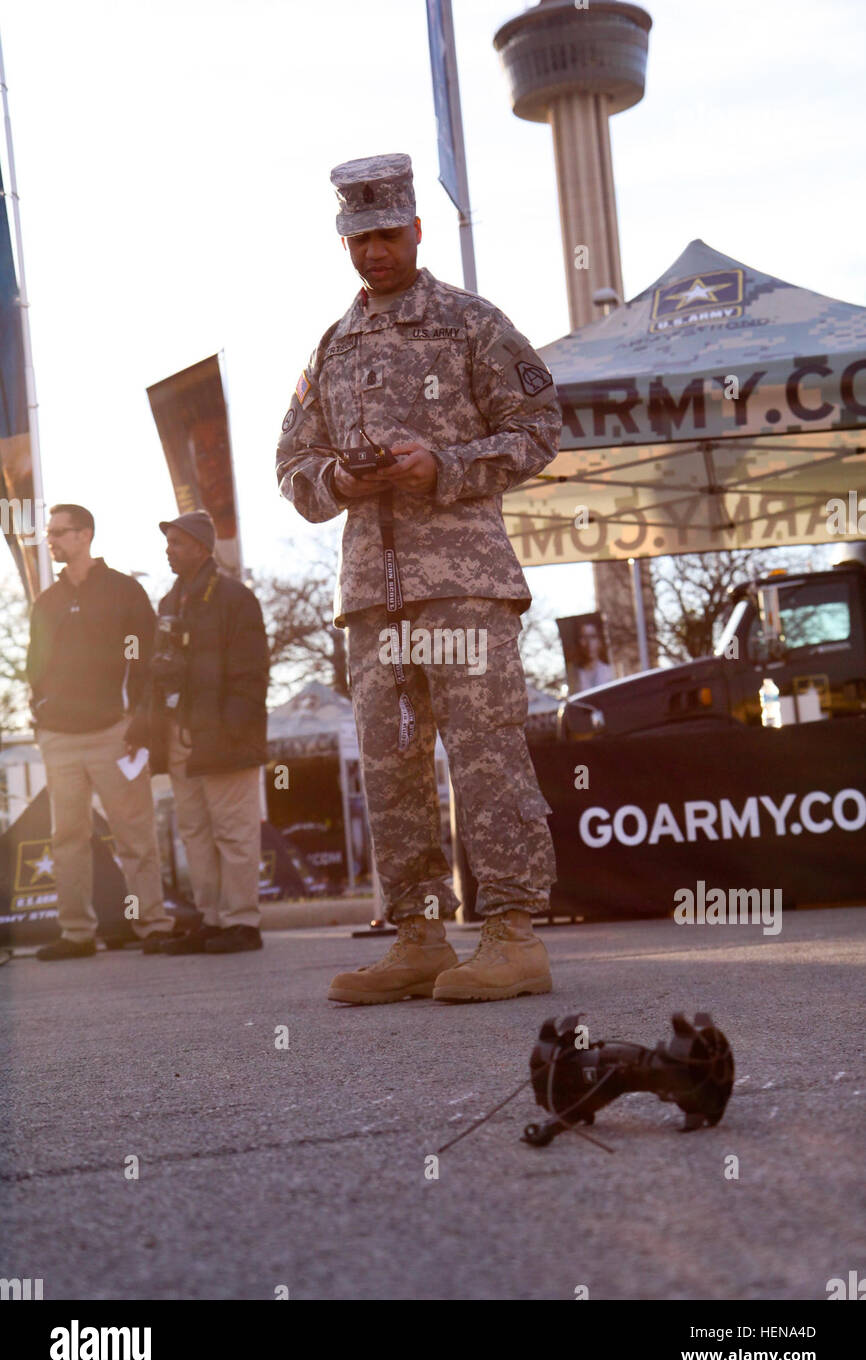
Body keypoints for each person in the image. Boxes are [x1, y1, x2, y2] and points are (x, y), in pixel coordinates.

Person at [275, 153, 562, 1004]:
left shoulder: (472, 324)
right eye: (358, 238)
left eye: (387, 234)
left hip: (463, 584)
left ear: (416, 229)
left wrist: (444, 464)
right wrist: (339, 481)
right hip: (373, 596)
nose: (373, 253)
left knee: (485, 758)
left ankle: (512, 935)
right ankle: (418, 935)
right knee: (391, 768)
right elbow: (292, 466)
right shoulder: (333, 346)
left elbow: (539, 427)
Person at [26, 504, 174, 959]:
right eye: (49, 533)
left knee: (135, 833)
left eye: (60, 532)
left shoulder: (123, 590)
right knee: (67, 838)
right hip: (60, 738)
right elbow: (36, 665)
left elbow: (149, 658)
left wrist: (140, 719)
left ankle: (153, 924)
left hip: (116, 733)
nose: (51, 540)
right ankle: (76, 934)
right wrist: (42, 711)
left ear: (86, 534)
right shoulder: (47, 601)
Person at [144, 510, 270, 955]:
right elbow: (159, 675)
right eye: (168, 543)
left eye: (176, 543)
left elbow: (252, 675)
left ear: (201, 547)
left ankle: (242, 922)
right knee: (195, 831)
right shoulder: (169, 603)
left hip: (224, 736)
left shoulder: (235, 598)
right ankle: (213, 919)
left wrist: (233, 731)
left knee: (233, 832)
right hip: (182, 735)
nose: (168, 550)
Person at [575, 619, 615, 690]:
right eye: (584, 637)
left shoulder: (610, 671)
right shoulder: (575, 676)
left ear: (600, 642)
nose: (589, 643)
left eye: (592, 637)